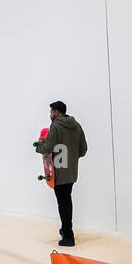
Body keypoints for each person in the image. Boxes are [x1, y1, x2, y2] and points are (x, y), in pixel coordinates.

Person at [33, 101, 87, 247]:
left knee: (63, 204)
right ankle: (65, 230)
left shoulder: (56, 126)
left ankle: (68, 237)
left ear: (56, 112)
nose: (50, 114)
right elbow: (83, 149)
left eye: (51, 112)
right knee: (67, 200)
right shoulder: (77, 125)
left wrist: (38, 147)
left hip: (59, 172)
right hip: (71, 172)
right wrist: (72, 158)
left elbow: (48, 147)